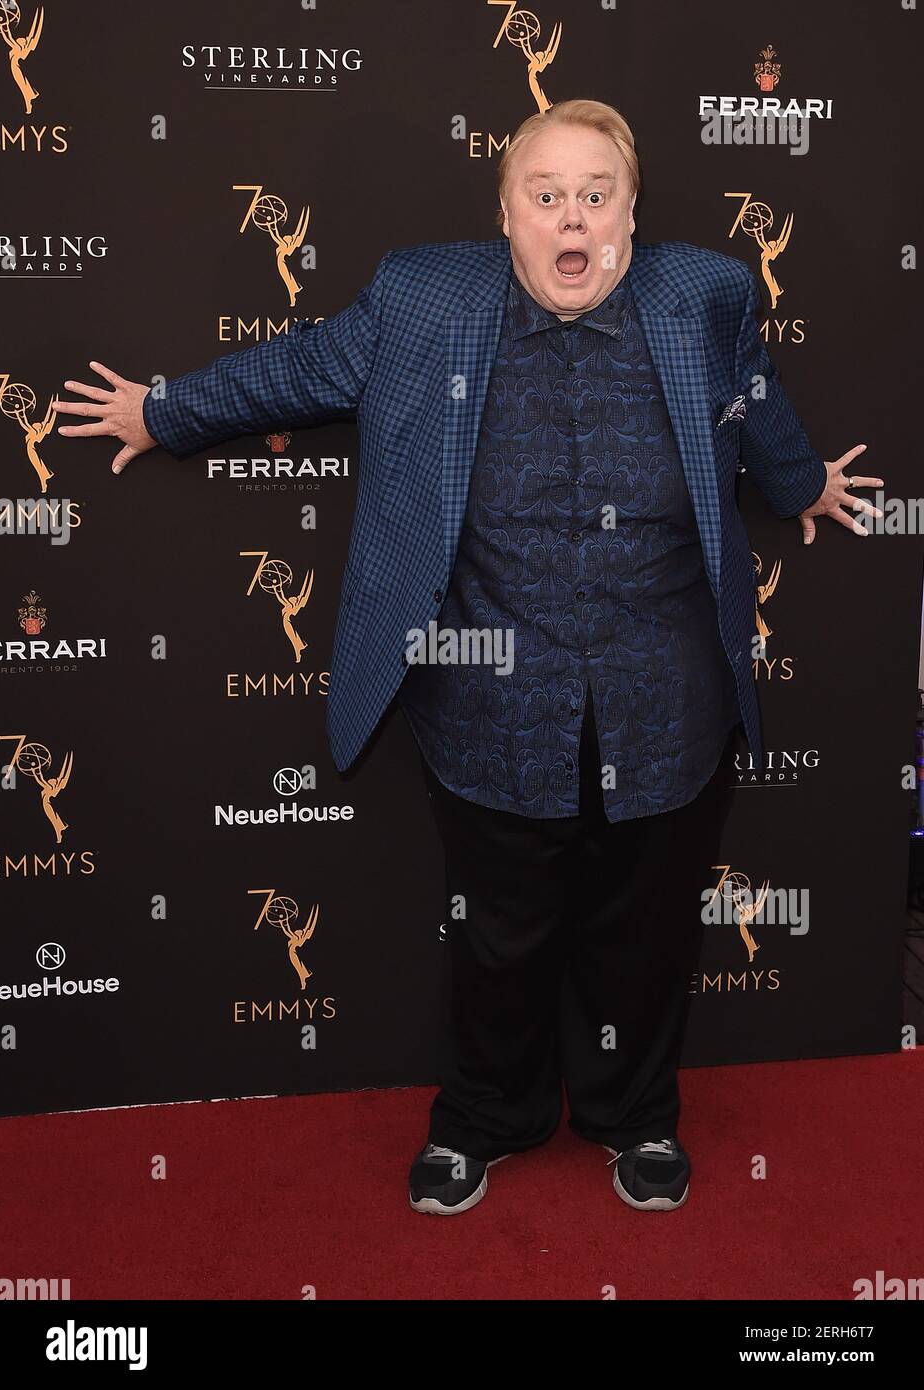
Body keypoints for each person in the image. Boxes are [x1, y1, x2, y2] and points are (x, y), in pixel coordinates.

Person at [55, 99, 882, 1216]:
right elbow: (299, 369)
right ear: (507, 213)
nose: (571, 217)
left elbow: (757, 401)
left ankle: (633, 1117)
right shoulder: (421, 297)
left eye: (597, 194)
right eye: (546, 195)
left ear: (633, 213)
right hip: (490, 698)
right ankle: (484, 1117)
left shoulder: (705, 296)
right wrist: (166, 410)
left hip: (665, 695)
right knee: (500, 936)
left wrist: (801, 483)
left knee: (642, 935)